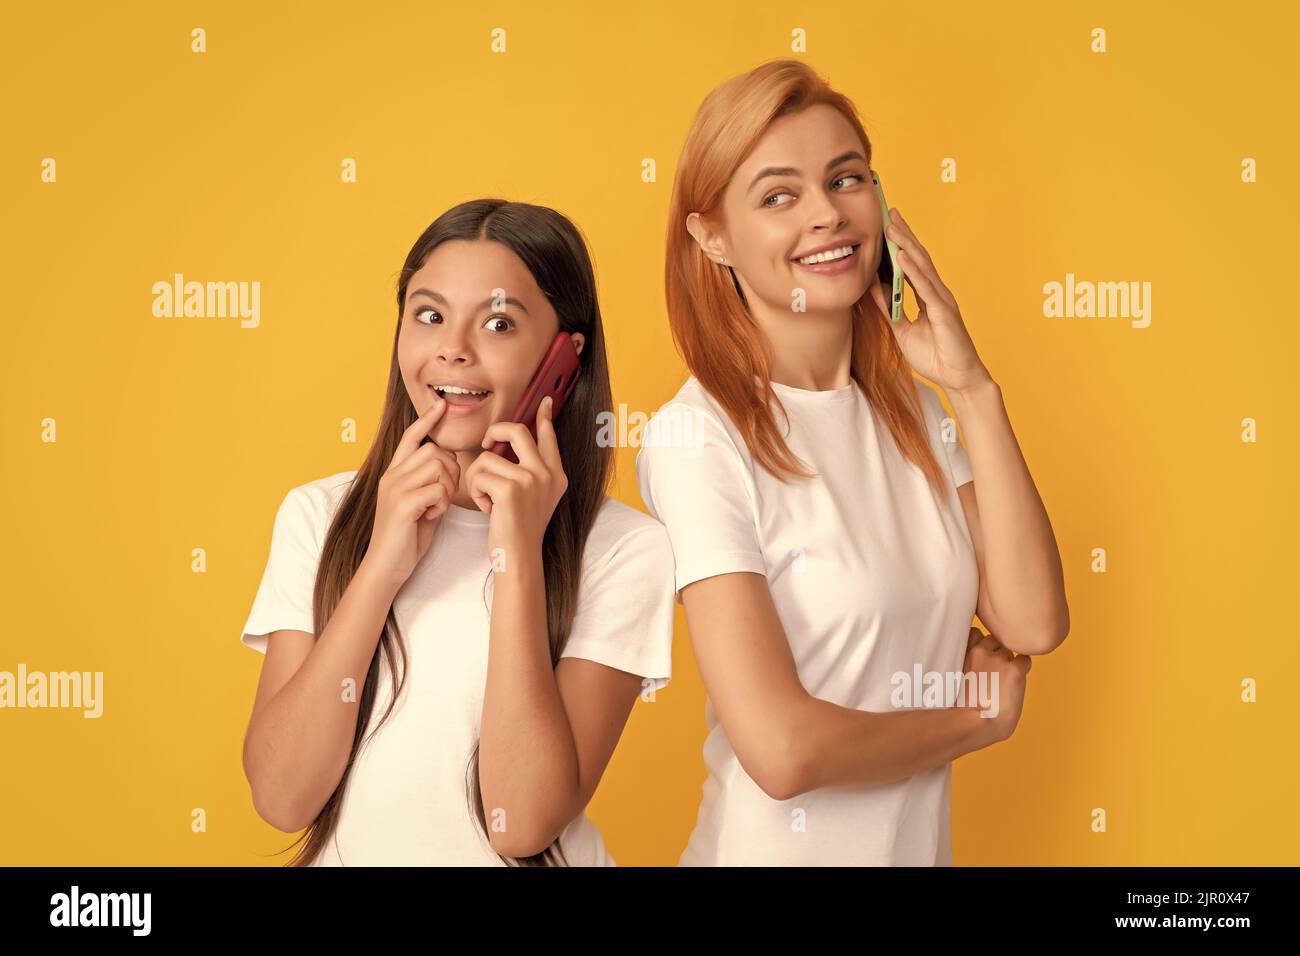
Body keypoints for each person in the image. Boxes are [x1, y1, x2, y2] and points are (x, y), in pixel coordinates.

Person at [637, 60, 1068, 866]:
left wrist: (974, 390)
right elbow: (782, 750)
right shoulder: (699, 440)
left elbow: (1033, 620)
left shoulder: (918, 416)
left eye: (846, 179)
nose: (826, 216)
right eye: (778, 196)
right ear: (712, 236)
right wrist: (972, 722)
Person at [239, 199, 675, 866]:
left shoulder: (622, 550)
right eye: (429, 314)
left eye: (498, 322)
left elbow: (521, 823)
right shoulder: (316, 516)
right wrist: (381, 567)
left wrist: (519, 558)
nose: (452, 349)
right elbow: (281, 797)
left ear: (565, 355)